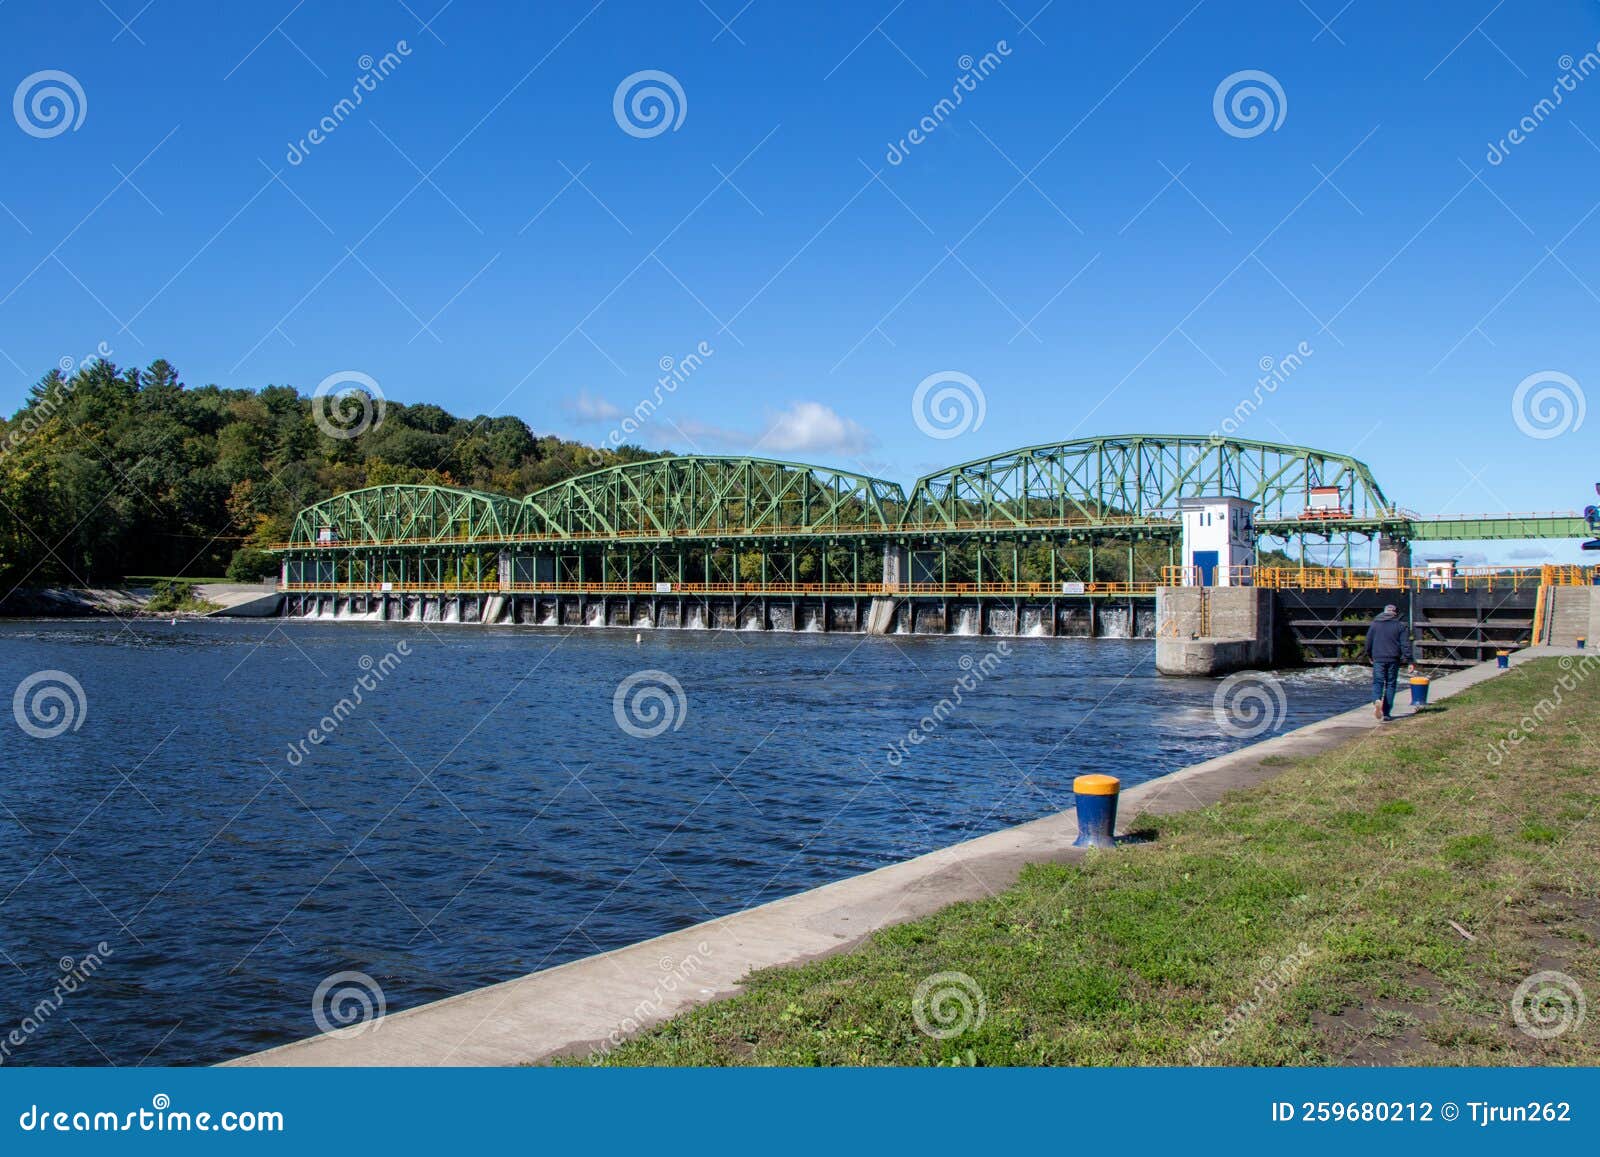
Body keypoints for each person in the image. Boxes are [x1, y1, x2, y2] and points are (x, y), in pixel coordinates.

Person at [1363, 603, 1414, 722]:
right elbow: (1405, 645)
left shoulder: (1375, 624)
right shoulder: (1400, 626)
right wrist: (1409, 661)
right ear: (1395, 613)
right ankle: (1386, 713)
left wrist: (1370, 655)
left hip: (1378, 658)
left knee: (1378, 682)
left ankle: (1377, 700)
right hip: (1393, 658)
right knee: (1390, 684)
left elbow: (1368, 642)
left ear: (1384, 612)